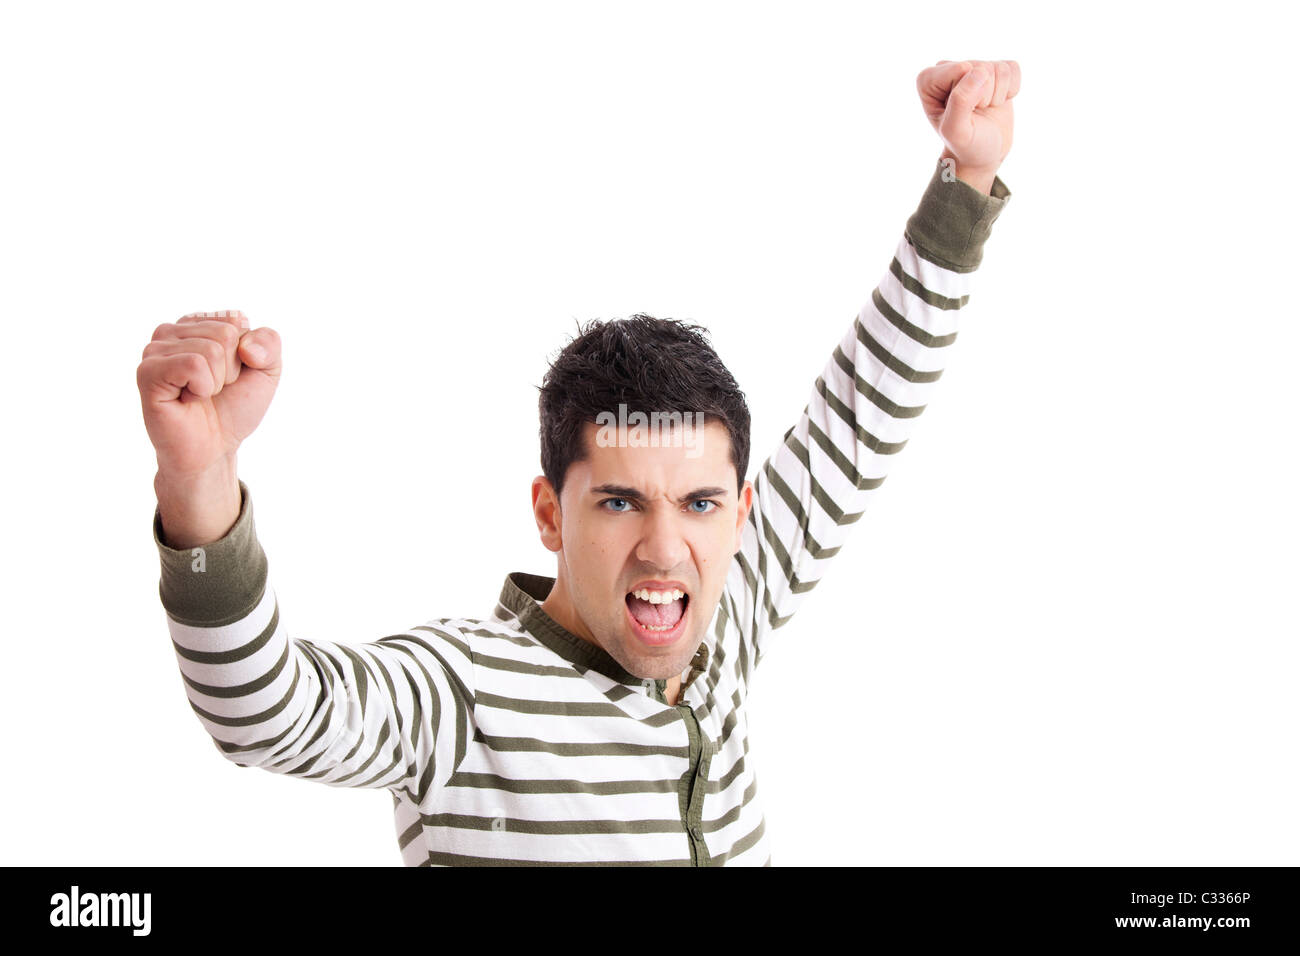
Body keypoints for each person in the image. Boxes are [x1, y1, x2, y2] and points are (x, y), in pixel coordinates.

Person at [138, 59, 1018, 866]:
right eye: (621, 503)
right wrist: (199, 481)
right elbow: (264, 712)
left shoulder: (726, 618)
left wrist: (966, 176)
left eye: (702, 503)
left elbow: (861, 414)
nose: (668, 549)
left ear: (741, 512)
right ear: (551, 511)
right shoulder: (461, 694)